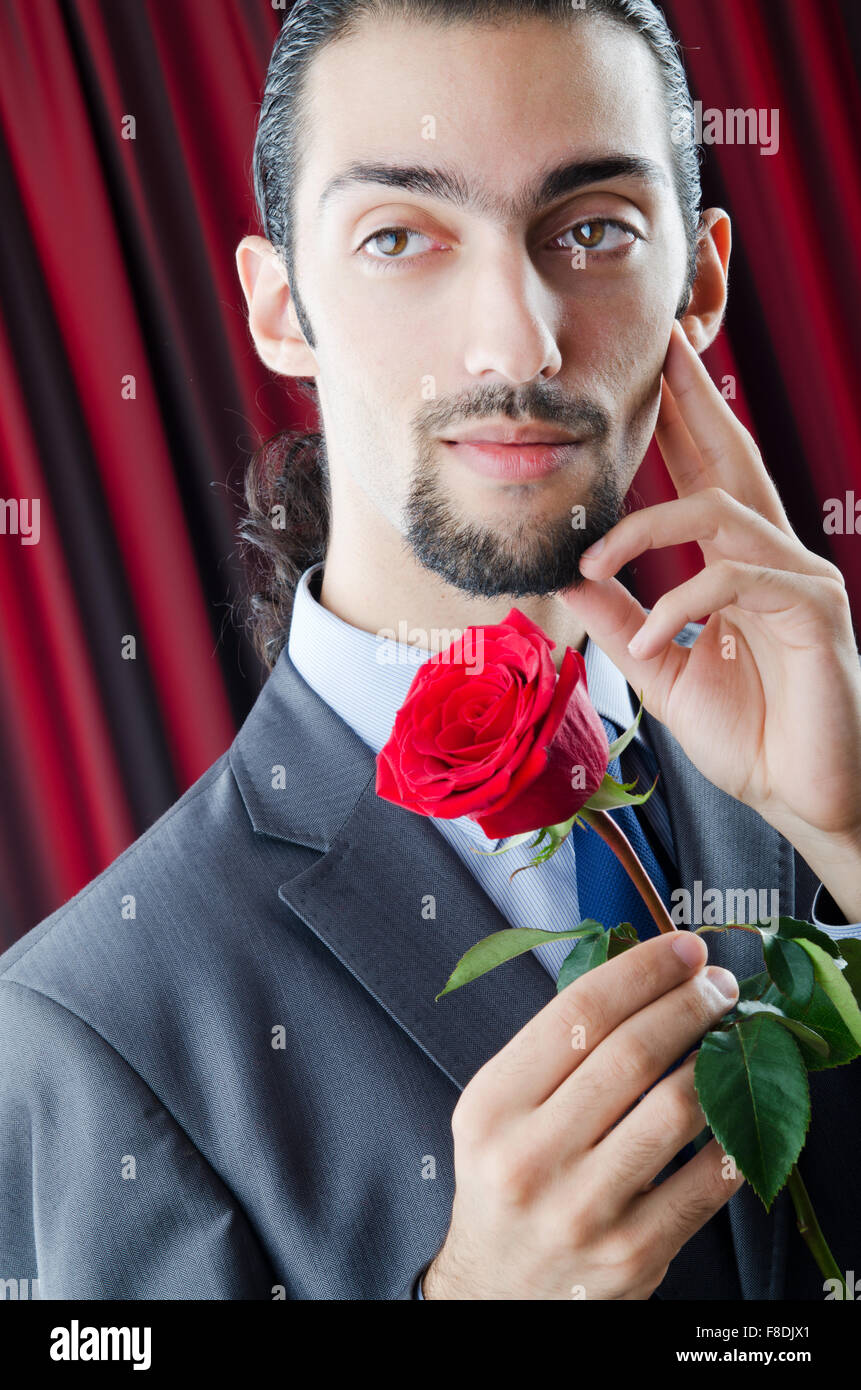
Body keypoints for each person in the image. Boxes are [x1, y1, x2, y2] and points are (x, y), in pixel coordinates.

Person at [1, 0, 859, 1301]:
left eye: (591, 230)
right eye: (401, 235)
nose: (515, 340)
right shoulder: (87, 1023)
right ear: (283, 308)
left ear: (699, 281)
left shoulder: (822, 792)